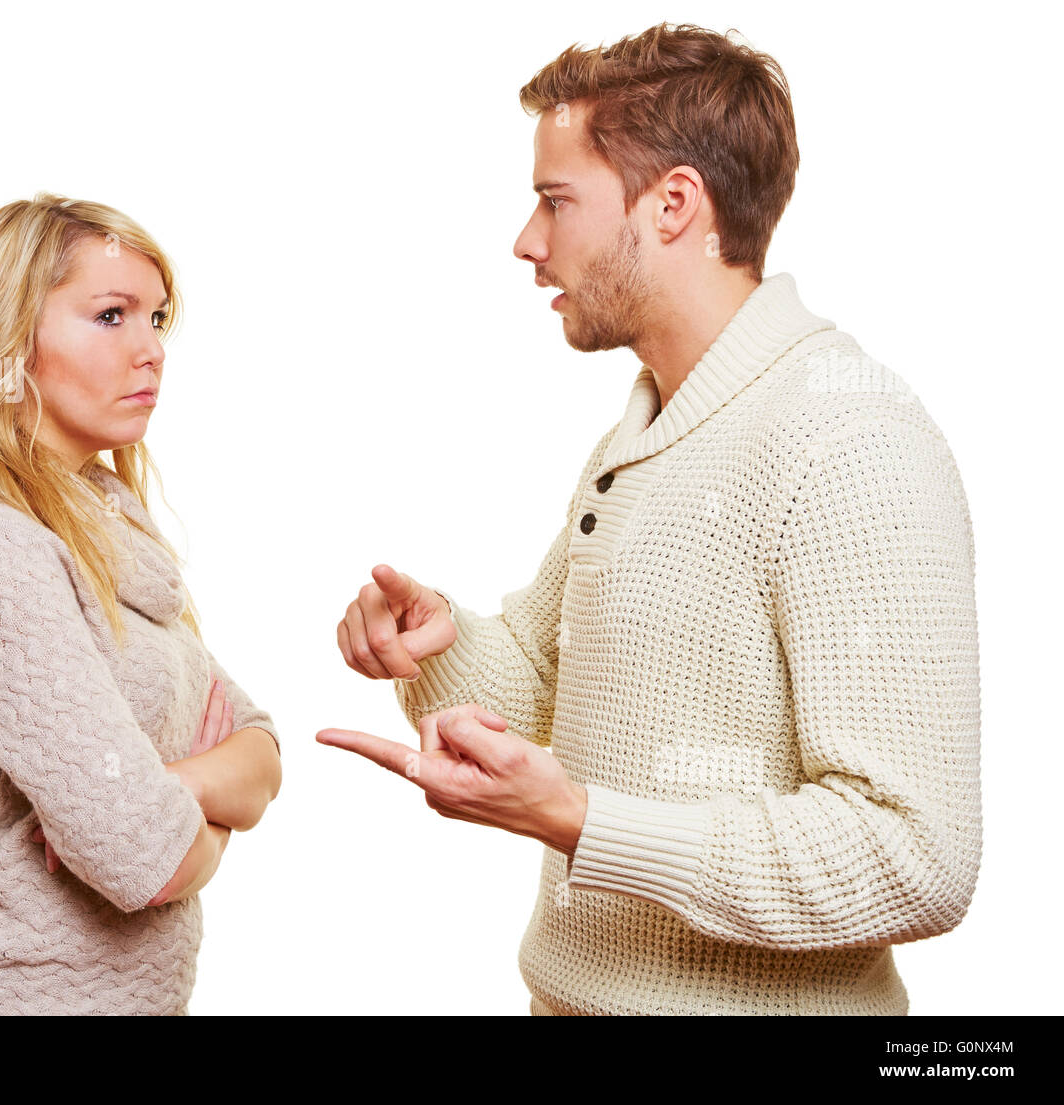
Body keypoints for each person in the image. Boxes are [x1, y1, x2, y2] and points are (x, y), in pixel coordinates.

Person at [318, 23, 981, 1015]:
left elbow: (913, 854)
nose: (526, 241)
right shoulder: (653, 421)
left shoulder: (851, 439)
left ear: (673, 204)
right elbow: (557, 690)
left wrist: (586, 824)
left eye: (554, 201)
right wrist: (440, 646)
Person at [0, 193, 281, 1015]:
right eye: (111, 315)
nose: (152, 351)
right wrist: (189, 809)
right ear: (9, 340)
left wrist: (169, 786)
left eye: (157, 319)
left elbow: (262, 750)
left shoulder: (103, 517)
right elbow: (147, 860)